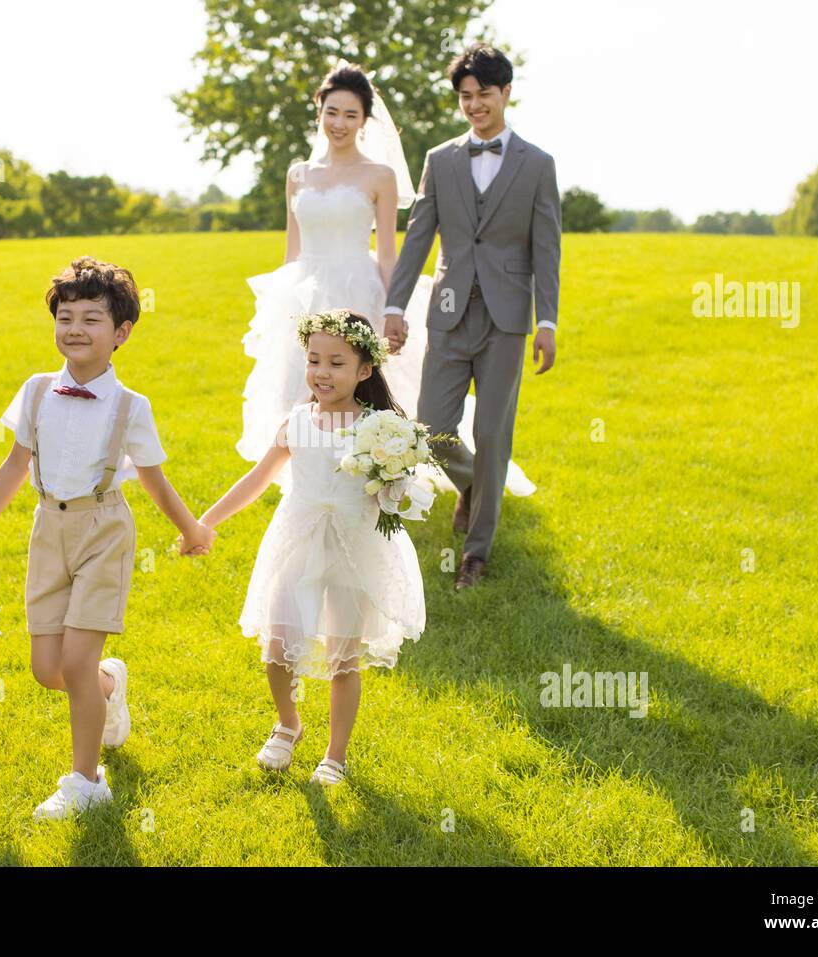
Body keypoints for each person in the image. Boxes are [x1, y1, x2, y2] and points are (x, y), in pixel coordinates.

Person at [0, 256, 214, 819]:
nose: (74, 329)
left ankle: (86, 784)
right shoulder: (37, 390)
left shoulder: (131, 406)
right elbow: (15, 465)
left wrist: (191, 530)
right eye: (65, 317)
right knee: (49, 671)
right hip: (49, 529)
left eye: (91, 319)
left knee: (73, 662)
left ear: (121, 333)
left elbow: (154, 479)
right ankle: (107, 686)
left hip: (104, 531)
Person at [235, 61, 535, 499]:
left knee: (378, 391)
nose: (339, 123)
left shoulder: (379, 175)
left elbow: (391, 252)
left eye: (351, 115)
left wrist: (395, 308)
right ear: (319, 110)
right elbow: (292, 248)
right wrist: (283, 300)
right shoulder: (298, 174)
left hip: (360, 286)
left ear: (364, 121)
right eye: (332, 112)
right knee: (301, 387)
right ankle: (314, 488)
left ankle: (414, 481)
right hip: (304, 289)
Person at [192, 310, 425, 786]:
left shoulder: (379, 428)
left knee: (344, 657)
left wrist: (392, 480)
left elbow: (396, 496)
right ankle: (288, 722)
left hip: (350, 549)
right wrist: (204, 522)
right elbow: (257, 481)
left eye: (336, 363)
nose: (322, 372)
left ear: (364, 370)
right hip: (297, 542)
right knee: (278, 647)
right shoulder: (296, 422)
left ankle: (334, 755)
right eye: (313, 359)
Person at [384, 43, 562, 590]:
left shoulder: (538, 165)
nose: (475, 105)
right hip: (448, 311)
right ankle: (472, 488)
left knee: (493, 432)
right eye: (466, 96)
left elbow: (547, 246)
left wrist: (548, 321)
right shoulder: (440, 160)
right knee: (432, 427)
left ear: (505, 93)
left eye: (484, 93)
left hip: (507, 319)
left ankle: (477, 553)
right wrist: (394, 304)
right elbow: (418, 236)